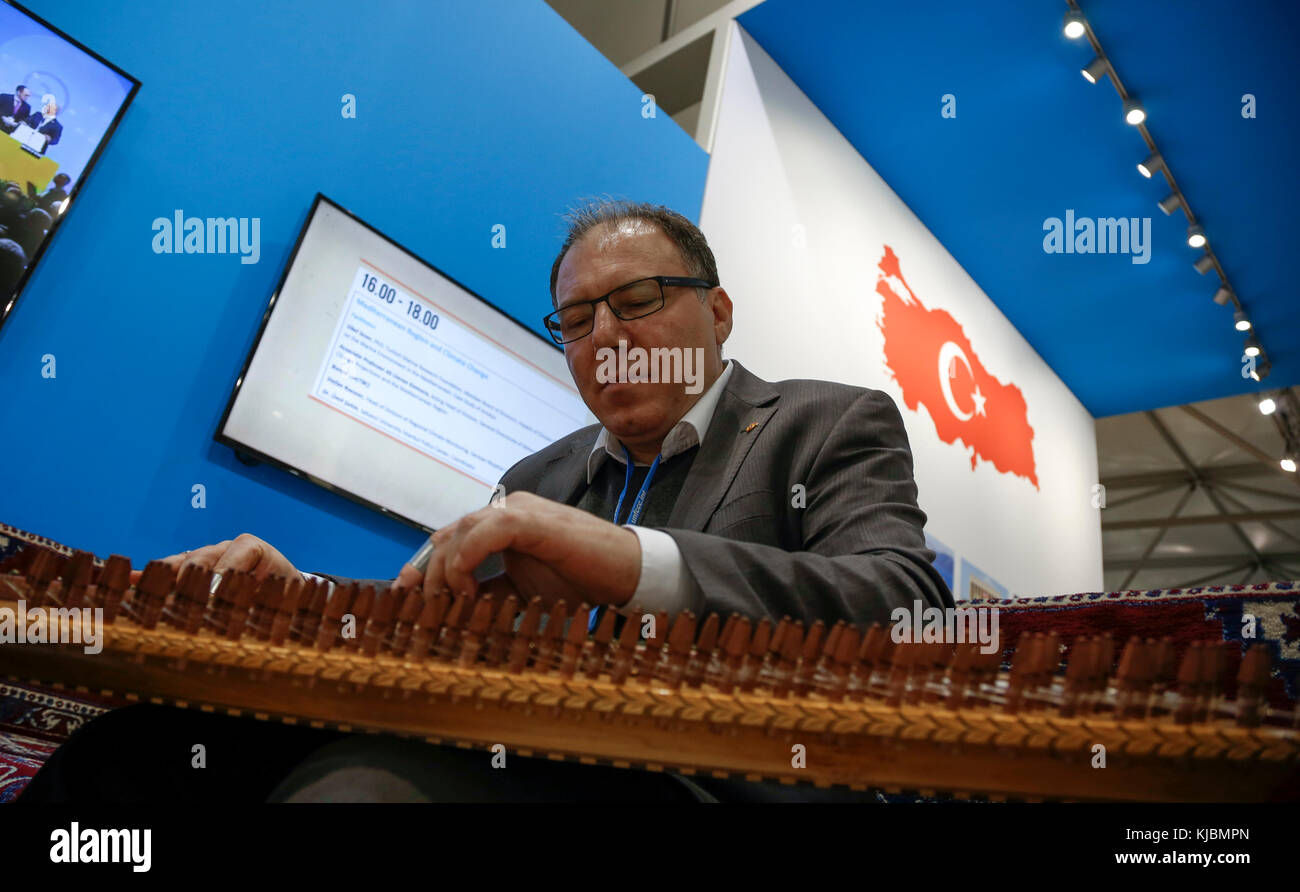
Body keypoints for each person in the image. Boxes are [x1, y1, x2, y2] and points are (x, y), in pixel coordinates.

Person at [19, 200, 952, 803]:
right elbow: (427, 624)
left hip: (703, 778)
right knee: (140, 757)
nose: (604, 337)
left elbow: (903, 603)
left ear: (718, 311)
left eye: (636, 300)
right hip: (501, 731)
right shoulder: (535, 474)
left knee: (365, 793)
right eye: (577, 320)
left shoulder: (826, 423)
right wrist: (295, 597)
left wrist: (629, 563)